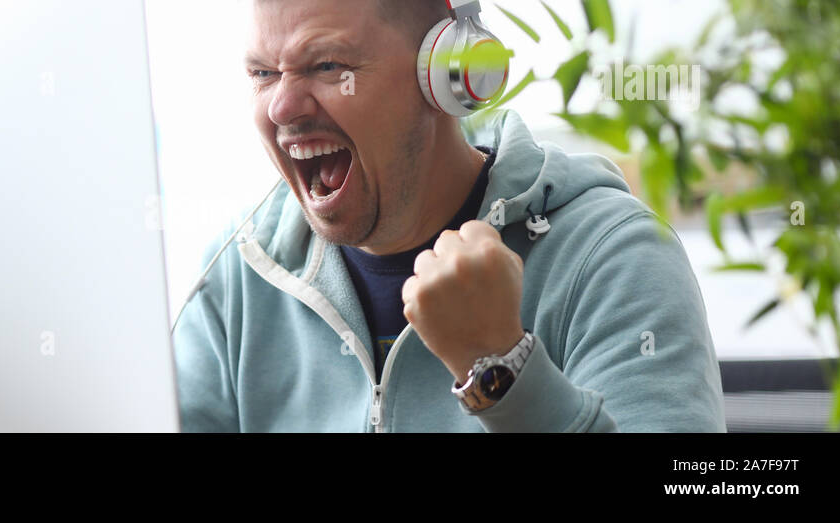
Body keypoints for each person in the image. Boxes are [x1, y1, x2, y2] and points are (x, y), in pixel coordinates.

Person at [171, 0, 727, 432]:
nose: (282, 107)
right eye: (262, 74)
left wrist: (500, 370)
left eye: (326, 65)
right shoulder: (237, 276)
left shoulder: (613, 257)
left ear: (449, 75)